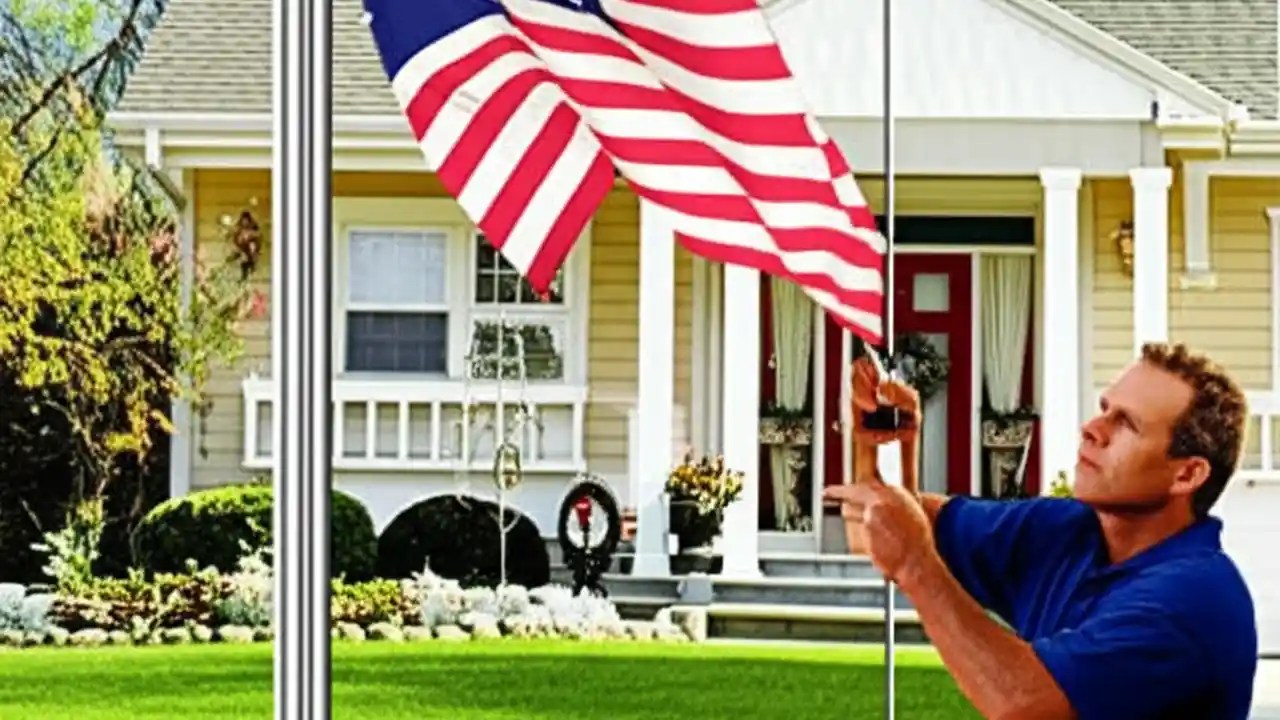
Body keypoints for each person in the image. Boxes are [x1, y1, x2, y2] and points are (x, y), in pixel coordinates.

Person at [824, 341, 1258, 720]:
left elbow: (1023, 706)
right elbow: (876, 528)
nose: (1092, 429)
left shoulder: (1195, 600)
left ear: (1187, 475)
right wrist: (884, 445)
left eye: (1125, 424)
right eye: (1104, 410)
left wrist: (918, 565)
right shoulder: (1069, 531)